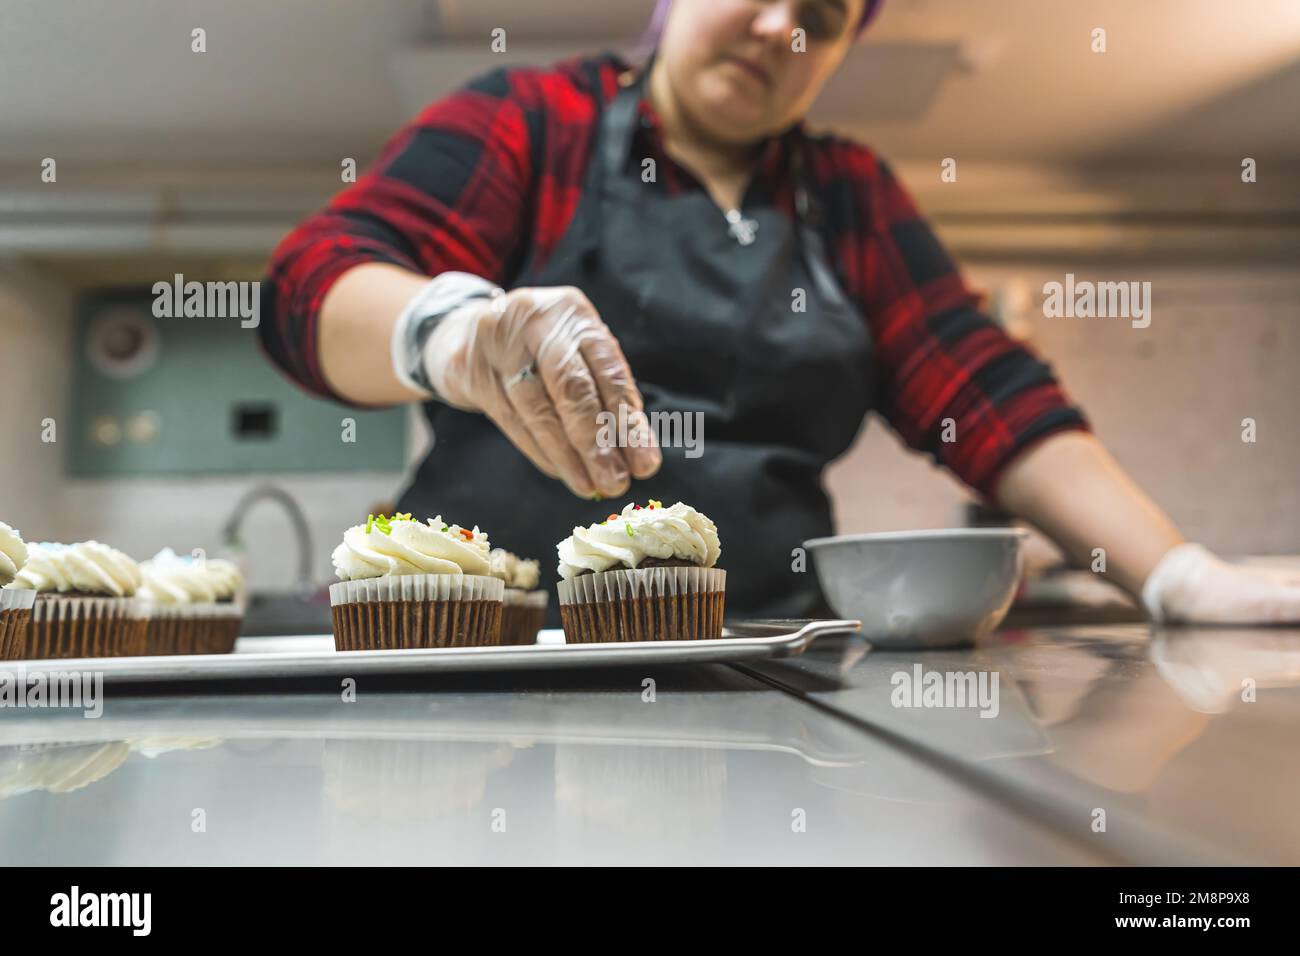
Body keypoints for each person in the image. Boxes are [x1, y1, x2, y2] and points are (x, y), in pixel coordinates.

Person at [259, 0, 1300, 626]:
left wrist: (1175, 574)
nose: (778, 28)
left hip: (760, 652)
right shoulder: (535, 121)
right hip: (485, 635)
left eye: (821, 19)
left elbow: (985, 396)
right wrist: (452, 333)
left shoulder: (847, 195)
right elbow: (316, 281)